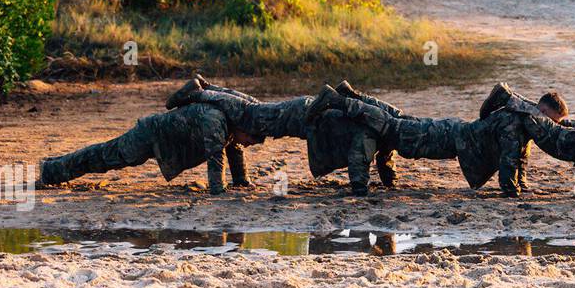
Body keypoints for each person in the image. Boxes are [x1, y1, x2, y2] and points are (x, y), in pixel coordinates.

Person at [165, 76, 401, 191]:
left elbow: (383, 158)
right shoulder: (380, 126)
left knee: (255, 108)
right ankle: (198, 92)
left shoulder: (380, 124)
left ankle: (207, 87)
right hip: (301, 113)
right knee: (252, 113)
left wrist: (389, 181)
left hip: (303, 112)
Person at [305, 84, 532, 196]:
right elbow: (509, 160)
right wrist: (513, 190)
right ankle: (337, 99)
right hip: (446, 134)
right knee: (392, 126)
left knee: (397, 121)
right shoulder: (513, 122)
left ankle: (350, 95)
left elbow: (517, 154)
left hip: (450, 130)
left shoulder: (514, 119)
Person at [38, 102, 257, 195]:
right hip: (149, 134)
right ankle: (51, 170)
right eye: (250, 139)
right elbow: (215, 156)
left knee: (105, 157)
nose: (248, 144)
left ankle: (54, 165)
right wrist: (217, 190)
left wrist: (241, 181)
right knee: (106, 156)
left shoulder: (231, 128)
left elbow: (234, 148)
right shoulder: (216, 121)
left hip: (162, 142)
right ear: (243, 127)